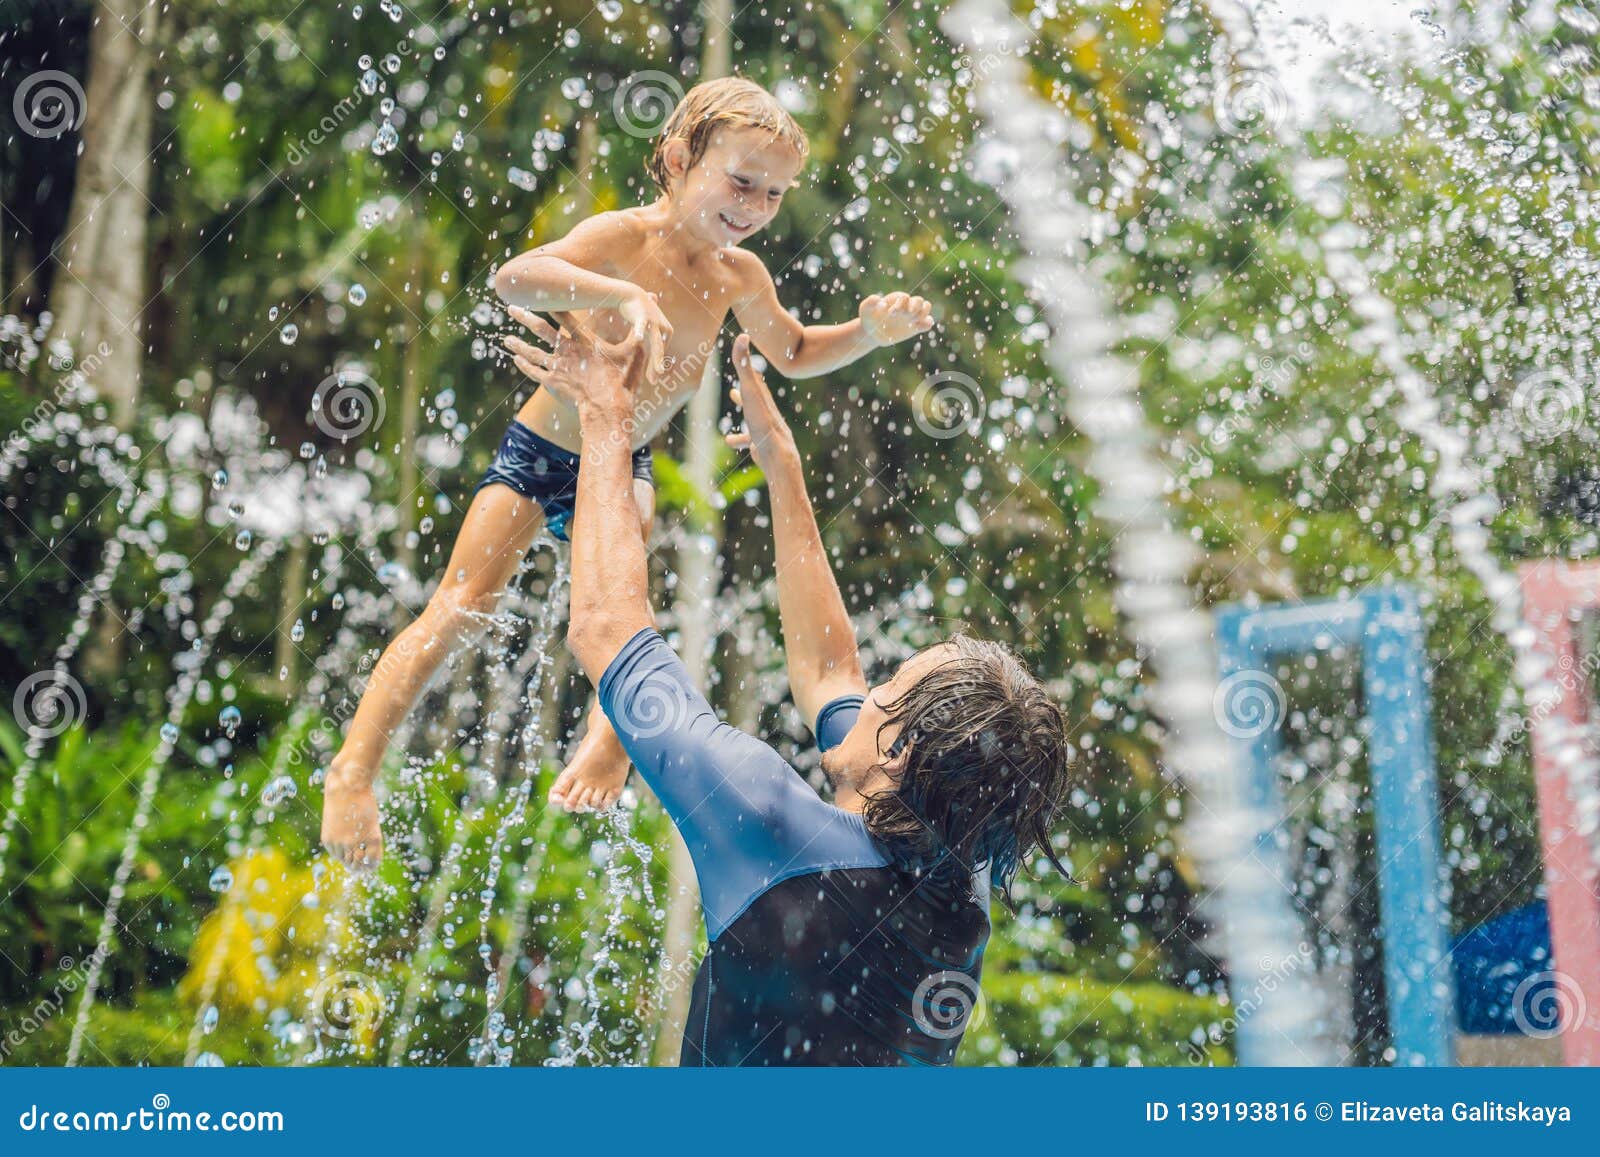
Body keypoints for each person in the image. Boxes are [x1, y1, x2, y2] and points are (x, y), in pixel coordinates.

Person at [321, 77, 934, 864]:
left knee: (632, 606)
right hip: (539, 454)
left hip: (622, 460)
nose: (754, 206)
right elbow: (516, 278)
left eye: (775, 195)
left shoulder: (739, 276)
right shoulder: (618, 237)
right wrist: (620, 292)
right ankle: (353, 770)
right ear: (680, 159)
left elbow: (796, 350)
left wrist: (867, 332)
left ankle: (609, 744)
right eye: (742, 181)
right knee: (463, 601)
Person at [501, 311, 1073, 1066]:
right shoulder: (959, 862)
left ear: (898, 752)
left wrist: (608, 412)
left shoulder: (768, 821)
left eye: (890, 685)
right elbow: (831, 672)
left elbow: (606, 627)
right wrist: (785, 472)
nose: (866, 691)